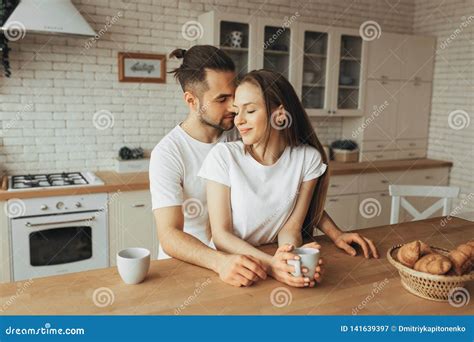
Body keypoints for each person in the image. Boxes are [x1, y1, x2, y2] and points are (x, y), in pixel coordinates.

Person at [149, 46, 379, 288]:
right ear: (192, 101)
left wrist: (334, 233)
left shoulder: (242, 135)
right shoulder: (169, 153)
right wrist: (221, 262)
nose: (233, 110)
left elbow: (287, 194)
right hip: (195, 264)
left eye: (235, 97)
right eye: (222, 99)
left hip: (249, 257)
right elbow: (170, 236)